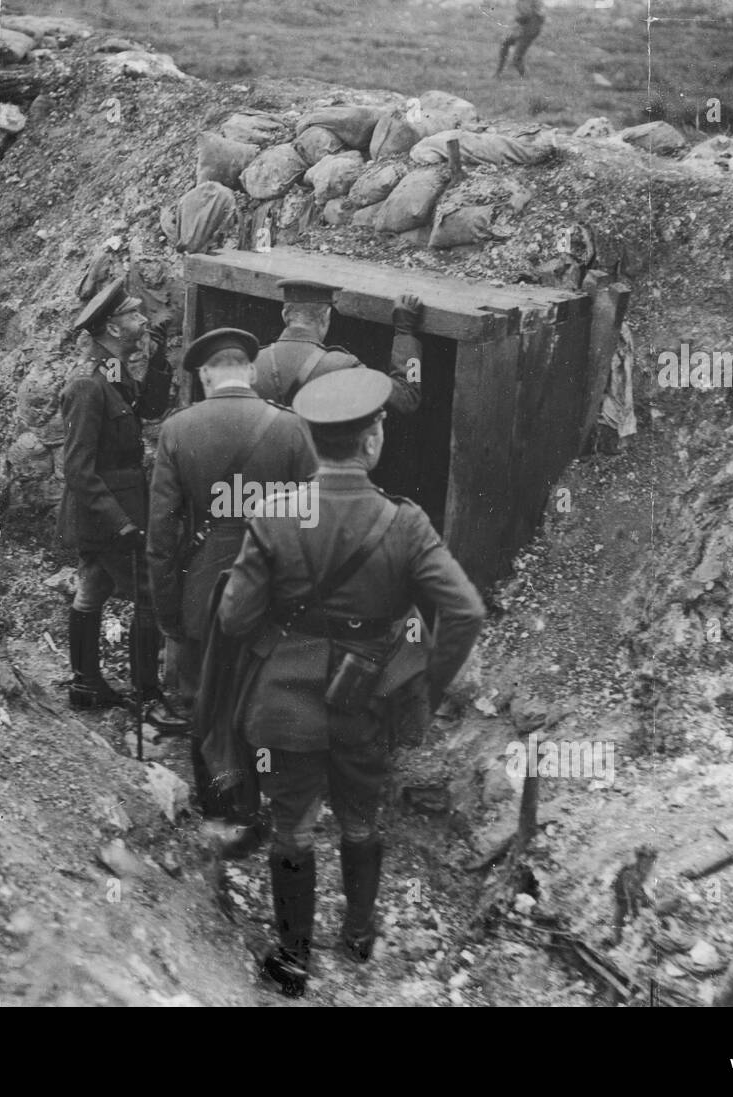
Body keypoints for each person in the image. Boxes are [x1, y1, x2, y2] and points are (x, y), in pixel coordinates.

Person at [217, 369, 486, 998]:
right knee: (362, 816)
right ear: (370, 442)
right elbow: (465, 611)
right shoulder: (405, 523)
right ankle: (359, 935)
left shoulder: (274, 515)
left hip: (285, 702)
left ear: (313, 444)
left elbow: (233, 617)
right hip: (368, 701)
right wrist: (425, 686)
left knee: (293, 826)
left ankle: (291, 958)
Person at [147, 329, 317, 813]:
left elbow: (160, 535)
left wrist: (168, 614)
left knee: (209, 697)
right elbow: (315, 522)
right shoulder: (290, 427)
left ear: (204, 375)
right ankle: (270, 799)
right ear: (249, 371)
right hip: (273, 588)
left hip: (205, 587)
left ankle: (223, 810)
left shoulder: (178, 430)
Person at [58, 277, 186, 729]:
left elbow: (148, 410)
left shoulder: (112, 371)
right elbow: (77, 469)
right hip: (108, 515)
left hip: (113, 511)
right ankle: (147, 696)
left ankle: (86, 683)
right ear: (113, 328)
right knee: (149, 595)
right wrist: (120, 523)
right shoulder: (86, 386)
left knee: (93, 587)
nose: (140, 319)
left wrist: (159, 353)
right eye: (133, 315)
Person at [251, 279, 423, 414]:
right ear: (327, 315)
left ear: (284, 315)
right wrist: (405, 333)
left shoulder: (252, 364)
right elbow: (407, 397)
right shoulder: (343, 367)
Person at [496, 0, 545, 79]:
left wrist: (515, 19)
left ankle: (525, 77)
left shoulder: (528, 2)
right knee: (505, 43)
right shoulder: (521, 2)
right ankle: (499, 72)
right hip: (525, 30)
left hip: (529, 31)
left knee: (516, 58)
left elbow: (529, 15)